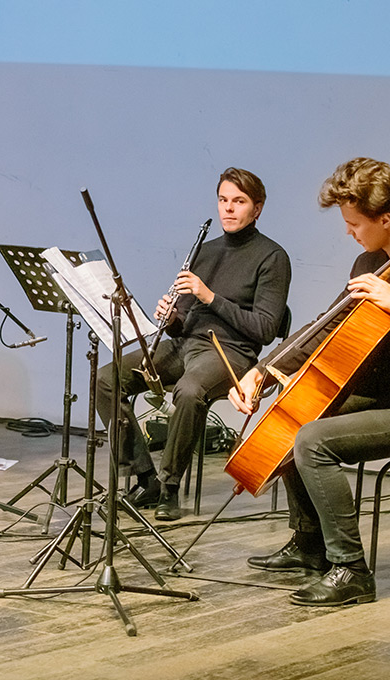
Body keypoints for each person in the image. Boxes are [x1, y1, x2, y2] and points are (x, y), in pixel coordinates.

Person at [230, 157, 390, 606]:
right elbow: (324, 329)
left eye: (354, 223)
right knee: (297, 415)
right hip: (385, 398)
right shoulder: (368, 260)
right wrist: (264, 373)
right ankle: (310, 544)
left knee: (313, 440)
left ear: (385, 219)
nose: (349, 231)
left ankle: (350, 570)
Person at [95, 168, 291, 521]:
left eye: (239, 202)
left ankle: (170, 486)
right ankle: (144, 476)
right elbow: (182, 321)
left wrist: (210, 296)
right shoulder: (206, 250)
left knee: (188, 391)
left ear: (257, 208)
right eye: (223, 200)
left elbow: (264, 328)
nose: (228, 209)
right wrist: (171, 318)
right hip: (185, 345)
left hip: (230, 352)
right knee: (107, 378)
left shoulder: (272, 257)